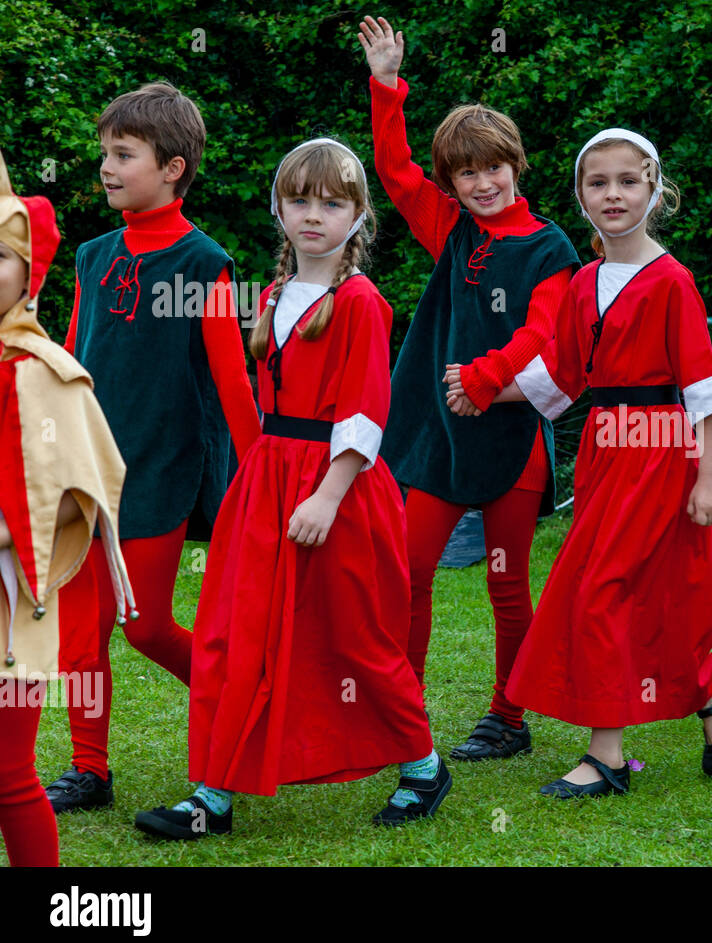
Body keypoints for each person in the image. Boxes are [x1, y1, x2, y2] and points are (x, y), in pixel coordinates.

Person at [134, 138, 446, 840]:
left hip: (336, 490)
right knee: (232, 633)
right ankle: (211, 796)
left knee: (356, 637)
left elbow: (366, 412)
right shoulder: (271, 295)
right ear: (278, 209)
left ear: (358, 217)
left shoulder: (362, 302)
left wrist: (327, 497)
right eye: (300, 200)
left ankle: (424, 768)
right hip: (267, 482)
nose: (314, 215)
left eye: (332, 203)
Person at [454, 128, 712, 797]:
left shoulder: (672, 281)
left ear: (655, 190)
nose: (613, 195)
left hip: (661, 451)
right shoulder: (583, 282)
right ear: (581, 197)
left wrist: (709, 476)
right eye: (597, 183)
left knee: (600, 594)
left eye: (628, 181)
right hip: (603, 455)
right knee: (639, 596)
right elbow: (559, 380)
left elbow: (705, 393)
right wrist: (481, 389)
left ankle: (607, 757)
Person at [360, 16, 580, 761]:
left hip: (511, 441)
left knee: (507, 584)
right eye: (465, 174)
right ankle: (403, 710)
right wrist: (386, 84)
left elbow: (542, 335)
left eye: (493, 169)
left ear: (515, 166)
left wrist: (484, 379)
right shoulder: (451, 228)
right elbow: (393, 172)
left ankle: (507, 718)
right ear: (452, 181)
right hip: (440, 438)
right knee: (408, 573)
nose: (481, 184)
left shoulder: (550, 245)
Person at [46, 82, 260, 814]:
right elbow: (74, 360)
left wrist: (265, 471)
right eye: (105, 152)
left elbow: (234, 385)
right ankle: (88, 770)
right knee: (79, 636)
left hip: (164, 468)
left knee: (146, 627)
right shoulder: (91, 255)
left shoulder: (210, 264)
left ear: (171, 167)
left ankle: (241, 707)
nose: (107, 167)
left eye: (124, 154)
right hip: (86, 470)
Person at [0, 148, 134, 865]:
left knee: (9, 775)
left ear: (30, 273)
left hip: (13, 608)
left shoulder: (47, 375)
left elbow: (76, 489)